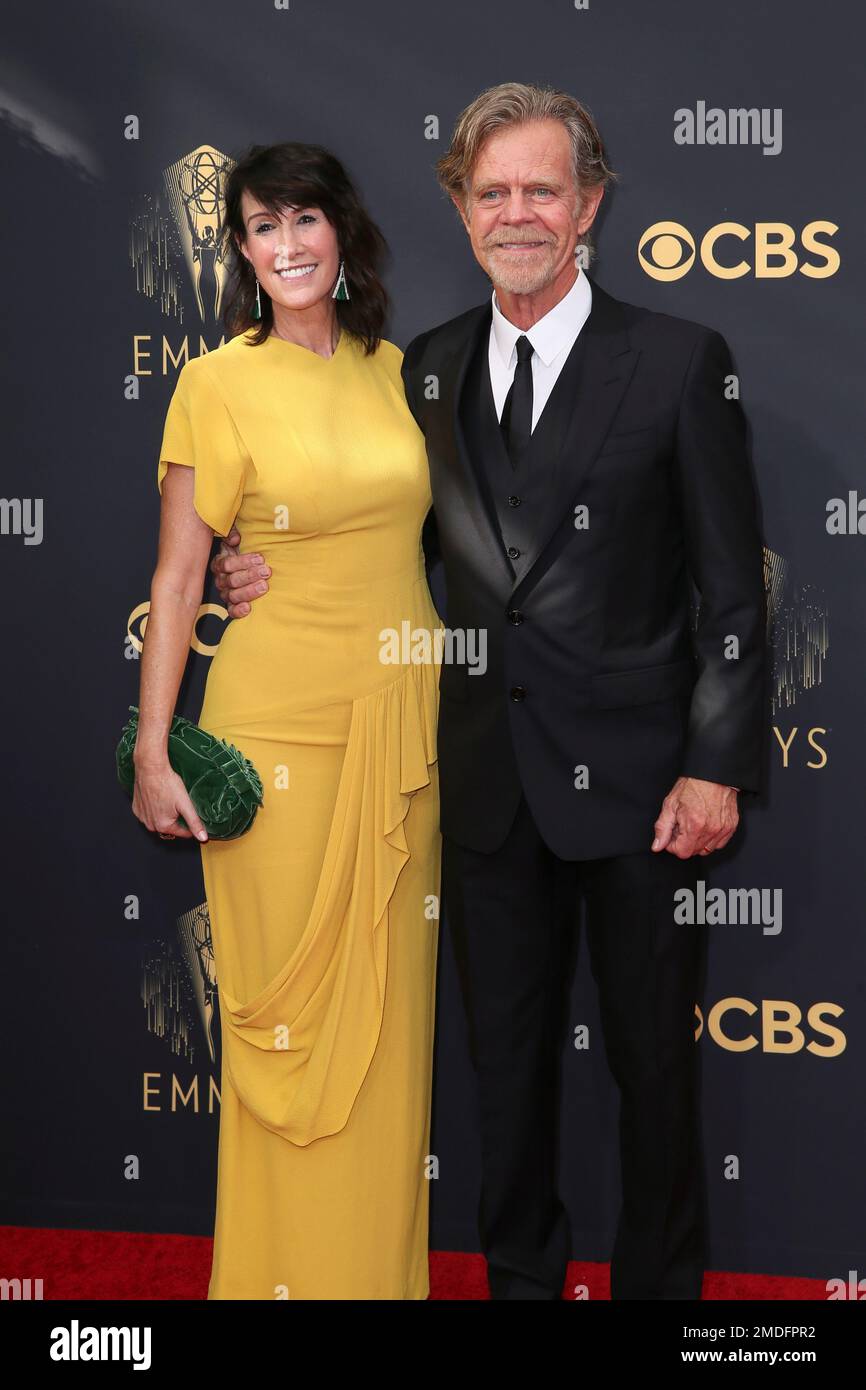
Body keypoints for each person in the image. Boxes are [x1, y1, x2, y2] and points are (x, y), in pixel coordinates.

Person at [213, 84, 769, 1301]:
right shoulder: (425, 372)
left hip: (643, 792)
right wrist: (256, 560)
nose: (515, 213)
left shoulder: (679, 363)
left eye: (540, 190)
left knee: (652, 1079)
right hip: (478, 789)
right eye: (490, 192)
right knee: (504, 1076)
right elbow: (378, 536)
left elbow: (731, 597)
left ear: (589, 207)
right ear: (460, 211)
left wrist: (715, 763)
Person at [132, 142, 442, 1300]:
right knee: (287, 1028)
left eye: (304, 218)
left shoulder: (396, 372)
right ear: (242, 253)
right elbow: (175, 576)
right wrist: (156, 747)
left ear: (340, 231)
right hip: (272, 737)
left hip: (403, 735)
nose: (287, 244)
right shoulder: (216, 381)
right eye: (261, 227)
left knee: (386, 1037)